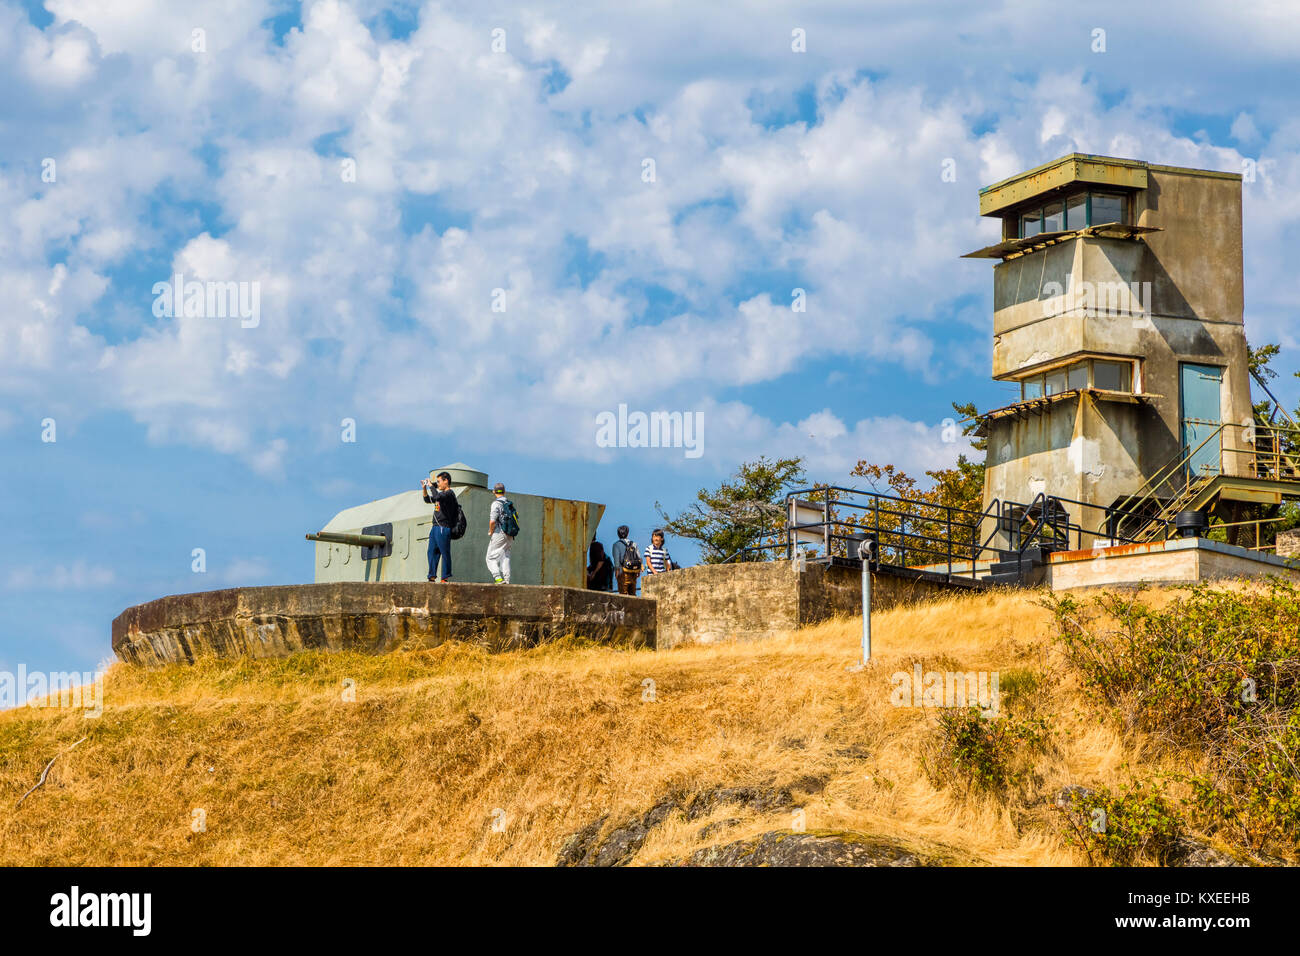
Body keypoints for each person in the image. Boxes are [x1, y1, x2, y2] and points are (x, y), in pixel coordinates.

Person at [421, 471, 458, 582]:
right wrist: (424, 488)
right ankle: (432, 575)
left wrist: (432, 486)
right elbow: (427, 499)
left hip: (443, 526)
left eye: (439, 481)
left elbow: (437, 496)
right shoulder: (440, 496)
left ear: (446, 481)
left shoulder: (449, 494)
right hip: (435, 527)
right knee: (431, 552)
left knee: (444, 552)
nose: (438, 484)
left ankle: (445, 577)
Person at [486, 482, 519, 584]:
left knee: (490, 558)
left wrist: (491, 531)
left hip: (499, 533)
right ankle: (507, 579)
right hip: (510, 534)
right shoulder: (509, 503)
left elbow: (492, 521)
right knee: (505, 556)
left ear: (494, 491)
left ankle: (498, 578)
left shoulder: (496, 504)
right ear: (504, 492)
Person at [611, 525, 640, 595]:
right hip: (633, 572)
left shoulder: (616, 545)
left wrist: (617, 573)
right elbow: (638, 557)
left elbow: (617, 561)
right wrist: (638, 571)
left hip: (623, 572)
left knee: (623, 594)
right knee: (632, 593)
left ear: (618, 534)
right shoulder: (633, 544)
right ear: (627, 533)